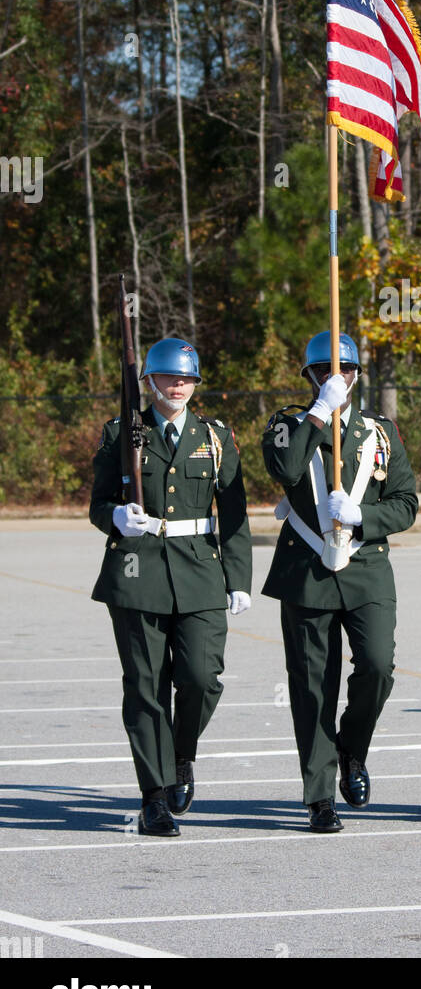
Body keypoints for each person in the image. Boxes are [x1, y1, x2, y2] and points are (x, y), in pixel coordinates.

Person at [90, 338, 252, 837]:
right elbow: (98, 504)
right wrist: (117, 516)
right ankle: (154, 796)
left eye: (186, 380)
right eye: (168, 378)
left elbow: (236, 515)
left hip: (200, 569)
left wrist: (238, 578)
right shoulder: (123, 432)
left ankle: (182, 756)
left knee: (203, 678)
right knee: (145, 688)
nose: (178, 386)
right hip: (138, 570)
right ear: (150, 382)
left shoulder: (216, 436)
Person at [261, 331, 418, 833]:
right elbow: (284, 469)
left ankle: (353, 748)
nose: (337, 378)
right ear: (309, 375)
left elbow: (406, 503)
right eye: (326, 370)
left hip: (366, 566)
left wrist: (363, 515)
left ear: (356, 374)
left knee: (377, 668)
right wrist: (317, 414)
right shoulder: (288, 424)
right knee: (311, 686)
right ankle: (319, 796)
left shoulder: (381, 432)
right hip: (305, 568)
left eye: (345, 370)